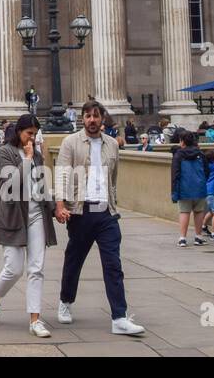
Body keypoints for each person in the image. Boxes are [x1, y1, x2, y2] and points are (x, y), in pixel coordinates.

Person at [53, 101, 145, 335]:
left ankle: (119, 317)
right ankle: (65, 301)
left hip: (106, 213)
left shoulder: (113, 144)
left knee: (113, 264)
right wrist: (60, 205)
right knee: (74, 260)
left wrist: (112, 203)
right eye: (88, 116)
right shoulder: (70, 142)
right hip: (80, 212)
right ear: (82, 119)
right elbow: (62, 174)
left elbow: (113, 178)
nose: (92, 120)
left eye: (96, 116)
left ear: (102, 119)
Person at [0, 114, 58, 337]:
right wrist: (26, 160)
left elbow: (41, 185)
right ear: (19, 131)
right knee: (14, 269)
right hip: (14, 217)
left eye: (35, 135)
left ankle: (35, 320)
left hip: (37, 215)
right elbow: (9, 186)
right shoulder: (5, 152)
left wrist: (55, 207)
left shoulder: (37, 155)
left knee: (36, 269)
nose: (32, 139)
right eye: (29, 134)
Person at [170, 129, 210, 247]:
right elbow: (207, 171)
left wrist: (174, 191)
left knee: (184, 212)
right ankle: (198, 236)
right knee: (199, 212)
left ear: (182, 141)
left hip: (184, 188)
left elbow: (175, 174)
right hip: (200, 187)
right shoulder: (201, 154)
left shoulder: (178, 155)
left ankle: (182, 238)